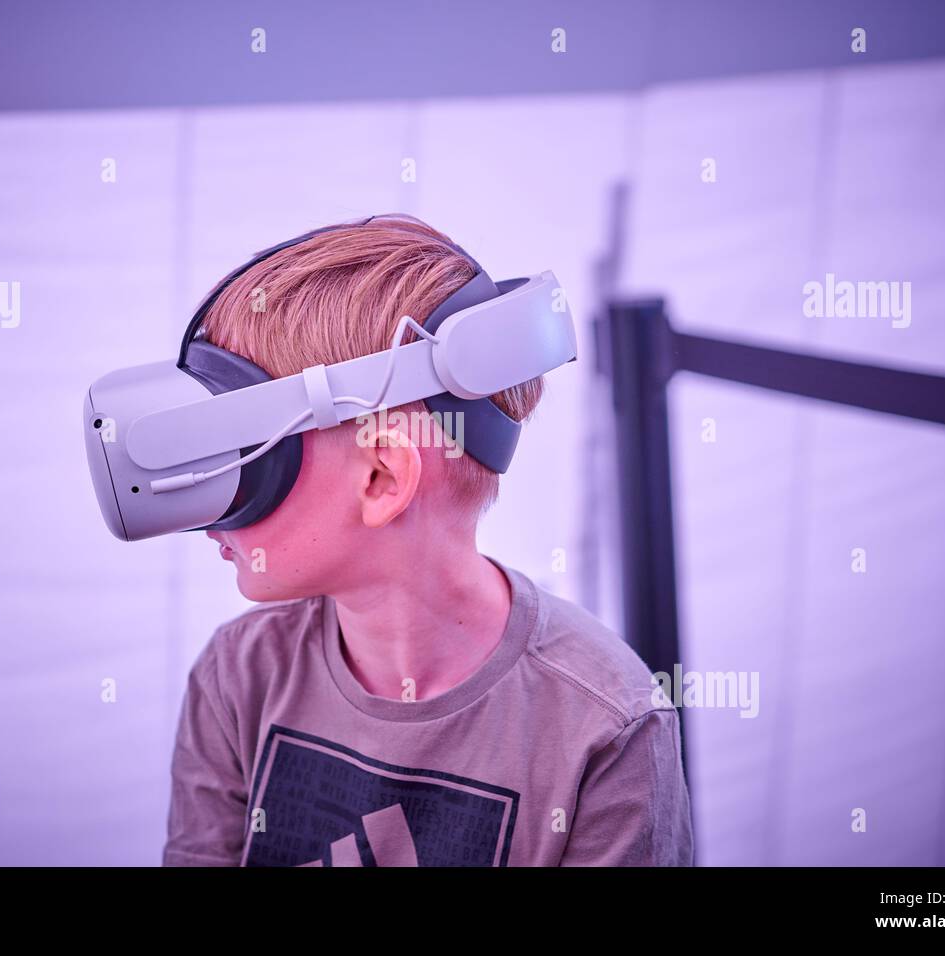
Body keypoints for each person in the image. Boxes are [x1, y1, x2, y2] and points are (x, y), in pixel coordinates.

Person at [162, 214, 693, 867]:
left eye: (244, 457)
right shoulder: (239, 675)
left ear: (383, 477)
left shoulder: (605, 726)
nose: (210, 514)